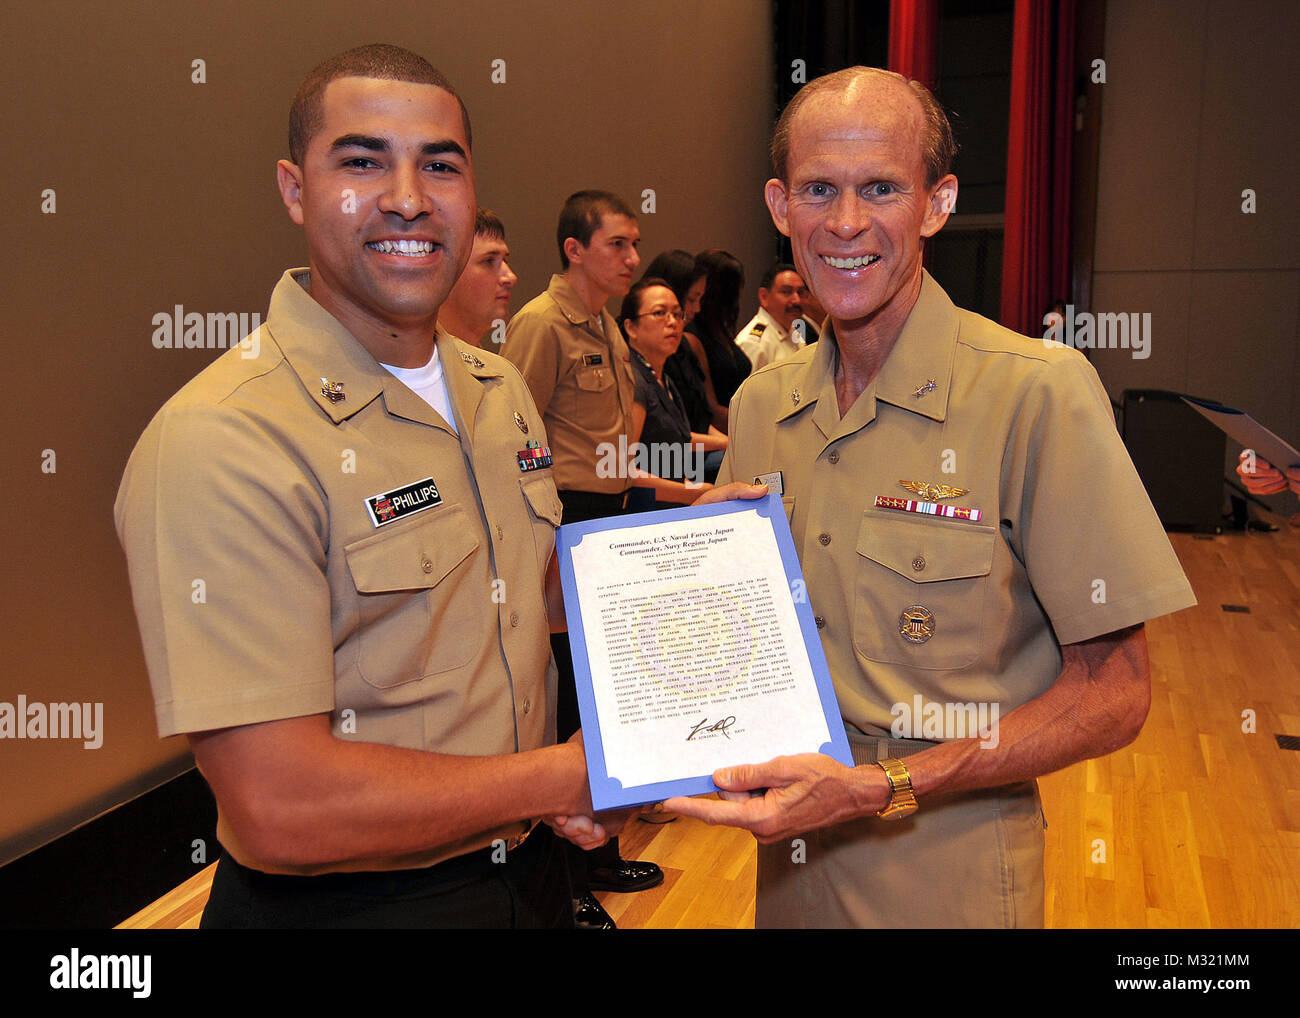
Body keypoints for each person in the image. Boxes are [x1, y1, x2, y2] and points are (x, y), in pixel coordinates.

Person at [664, 66, 1197, 928]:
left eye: (881, 188)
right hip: (789, 865)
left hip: (949, 873)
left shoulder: (1037, 392)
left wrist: (883, 786)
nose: (844, 224)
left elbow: (1113, 696)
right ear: (778, 205)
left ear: (938, 203)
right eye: (818, 190)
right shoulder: (764, 405)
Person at [113, 44, 622, 929]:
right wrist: (561, 776)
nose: (407, 197)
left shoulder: (497, 393)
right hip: (352, 906)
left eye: (440, 165)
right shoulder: (225, 439)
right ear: (293, 188)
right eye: (361, 161)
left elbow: (521, 596)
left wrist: (708, 568)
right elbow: (280, 806)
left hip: (532, 873)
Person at [501, 191, 663, 920]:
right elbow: (515, 437)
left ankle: (597, 854)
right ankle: (563, 883)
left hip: (609, 510)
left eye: (634, 245)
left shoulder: (602, 322)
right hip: (568, 517)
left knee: (601, 697)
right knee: (568, 698)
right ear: (575, 249)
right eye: (618, 245)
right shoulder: (542, 323)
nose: (633, 259)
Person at [619, 278, 726, 508]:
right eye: (660, 313)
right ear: (631, 327)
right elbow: (622, 470)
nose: (672, 322)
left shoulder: (661, 377)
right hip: (641, 520)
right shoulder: (633, 380)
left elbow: (674, 442)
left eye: (678, 314)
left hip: (669, 511)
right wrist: (695, 492)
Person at [685, 249, 751, 432]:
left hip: (737, 429)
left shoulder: (720, 329)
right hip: (716, 438)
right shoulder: (693, 334)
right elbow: (710, 410)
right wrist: (760, 425)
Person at [438, 205, 518, 347]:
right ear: (446, 273)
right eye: (489, 261)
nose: (511, 277)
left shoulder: (494, 366)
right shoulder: (409, 366)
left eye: (505, 260)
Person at [735, 262, 811, 369]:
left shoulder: (793, 330)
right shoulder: (754, 344)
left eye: (801, 292)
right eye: (786, 292)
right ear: (764, 297)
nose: (796, 300)